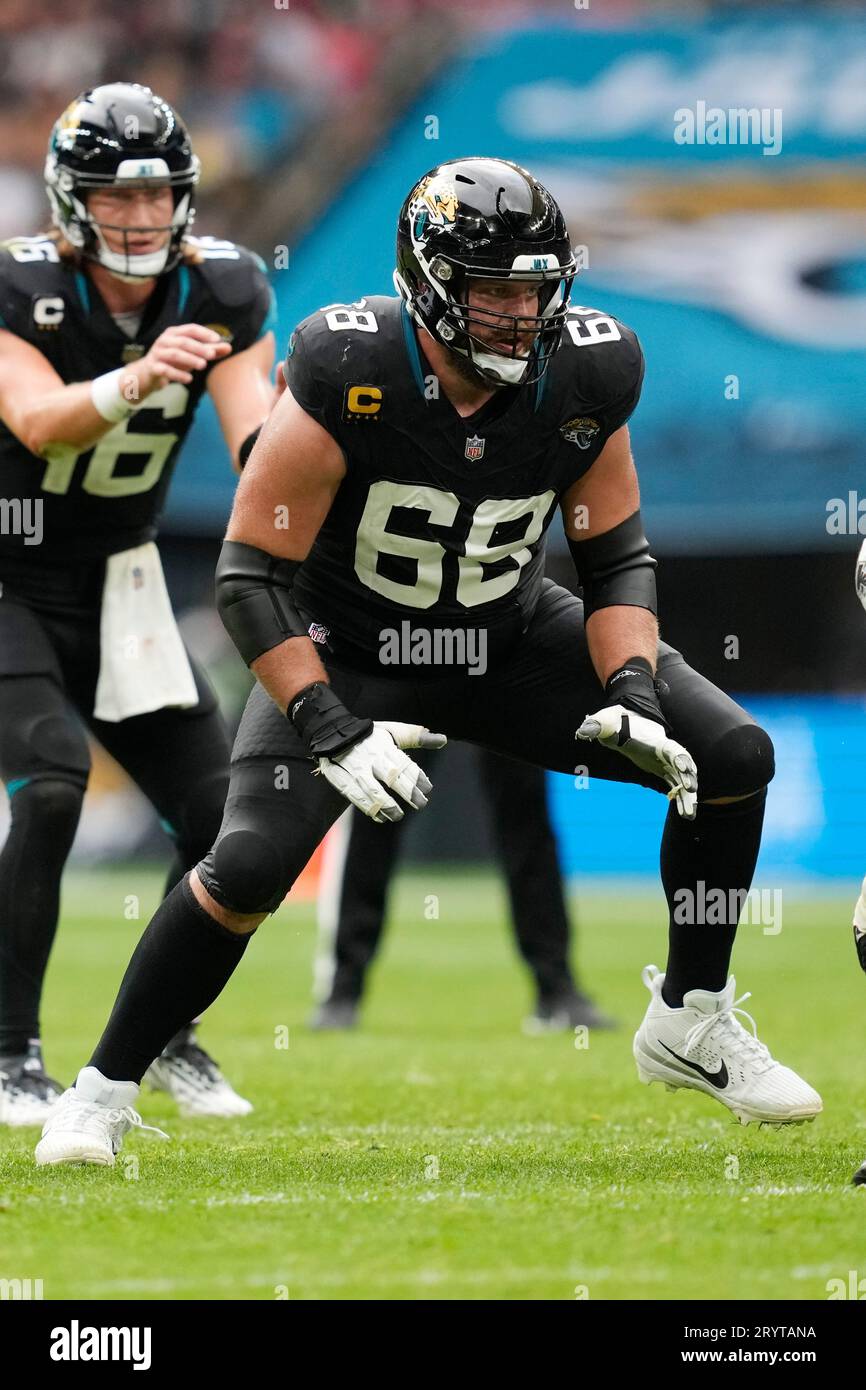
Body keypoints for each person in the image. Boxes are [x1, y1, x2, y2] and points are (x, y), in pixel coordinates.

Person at [35, 156, 821, 1168]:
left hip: (505, 634)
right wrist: (326, 725)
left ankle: (689, 1014)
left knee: (730, 752)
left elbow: (614, 555)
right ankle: (99, 1089)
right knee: (248, 865)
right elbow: (246, 574)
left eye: (535, 290)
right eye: (492, 291)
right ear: (429, 285)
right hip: (346, 647)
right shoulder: (346, 367)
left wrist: (628, 688)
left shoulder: (588, 370)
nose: (517, 314)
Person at [0, 82, 277, 1124]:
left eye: (160, 196)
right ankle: (8, 1052)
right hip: (9, 574)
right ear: (71, 204)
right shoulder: (15, 283)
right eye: (118, 198)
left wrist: (308, 438)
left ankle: (165, 1037)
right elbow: (36, 421)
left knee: (219, 814)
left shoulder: (223, 289)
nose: (142, 218)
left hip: (119, 575)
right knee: (55, 782)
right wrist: (134, 378)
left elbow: (254, 443)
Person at [311, 749, 616, 1034]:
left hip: (500, 691)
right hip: (418, 691)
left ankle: (556, 988)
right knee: (378, 805)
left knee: (526, 813)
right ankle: (343, 988)